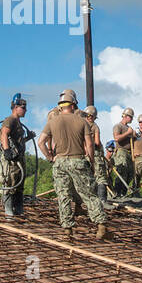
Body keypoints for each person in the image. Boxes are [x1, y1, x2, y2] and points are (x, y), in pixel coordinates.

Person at [38, 88, 108, 240]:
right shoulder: (82, 122)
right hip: (78, 160)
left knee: (63, 196)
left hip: (60, 162)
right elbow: (89, 144)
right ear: (73, 105)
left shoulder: (52, 122)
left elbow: (41, 142)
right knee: (89, 194)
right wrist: (91, 161)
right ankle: (101, 226)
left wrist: (50, 157)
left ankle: (67, 230)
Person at [0, 94, 30, 217]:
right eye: (23, 107)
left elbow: (17, 142)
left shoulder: (18, 122)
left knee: (19, 185)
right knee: (9, 183)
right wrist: (7, 151)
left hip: (19, 158)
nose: (25, 110)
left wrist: (28, 138)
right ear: (16, 107)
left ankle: (18, 210)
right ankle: (8, 210)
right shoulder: (10, 120)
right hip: (11, 160)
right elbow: (4, 134)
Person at [84, 105, 110, 203]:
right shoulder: (95, 126)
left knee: (87, 177)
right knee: (100, 177)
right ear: (93, 116)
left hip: (84, 154)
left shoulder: (81, 125)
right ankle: (102, 200)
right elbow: (97, 142)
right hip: (95, 154)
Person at [111, 108, 137, 196]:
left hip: (129, 153)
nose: (132, 119)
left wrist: (133, 135)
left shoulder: (129, 128)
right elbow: (116, 138)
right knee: (122, 171)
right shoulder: (118, 126)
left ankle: (124, 192)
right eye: (131, 117)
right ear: (125, 116)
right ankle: (117, 192)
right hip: (121, 151)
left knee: (130, 173)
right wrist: (128, 133)